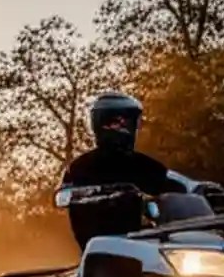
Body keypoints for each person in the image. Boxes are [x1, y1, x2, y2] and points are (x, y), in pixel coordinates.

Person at [59, 92, 171, 250]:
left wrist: (200, 190)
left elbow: (175, 183)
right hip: (111, 254)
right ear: (118, 123)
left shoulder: (143, 164)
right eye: (132, 122)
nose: (135, 128)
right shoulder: (80, 168)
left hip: (142, 247)